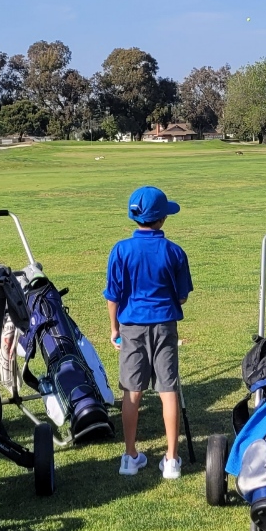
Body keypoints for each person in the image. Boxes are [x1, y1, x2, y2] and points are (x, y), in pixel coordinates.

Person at [105, 186, 193, 480]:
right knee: (168, 390)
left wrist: (114, 329)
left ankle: (130, 456)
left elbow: (113, 295)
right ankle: (171, 459)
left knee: (132, 391)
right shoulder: (174, 251)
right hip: (165, 325)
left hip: (131, 327)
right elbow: (182, 296)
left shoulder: (120, 250)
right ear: (162, 219)